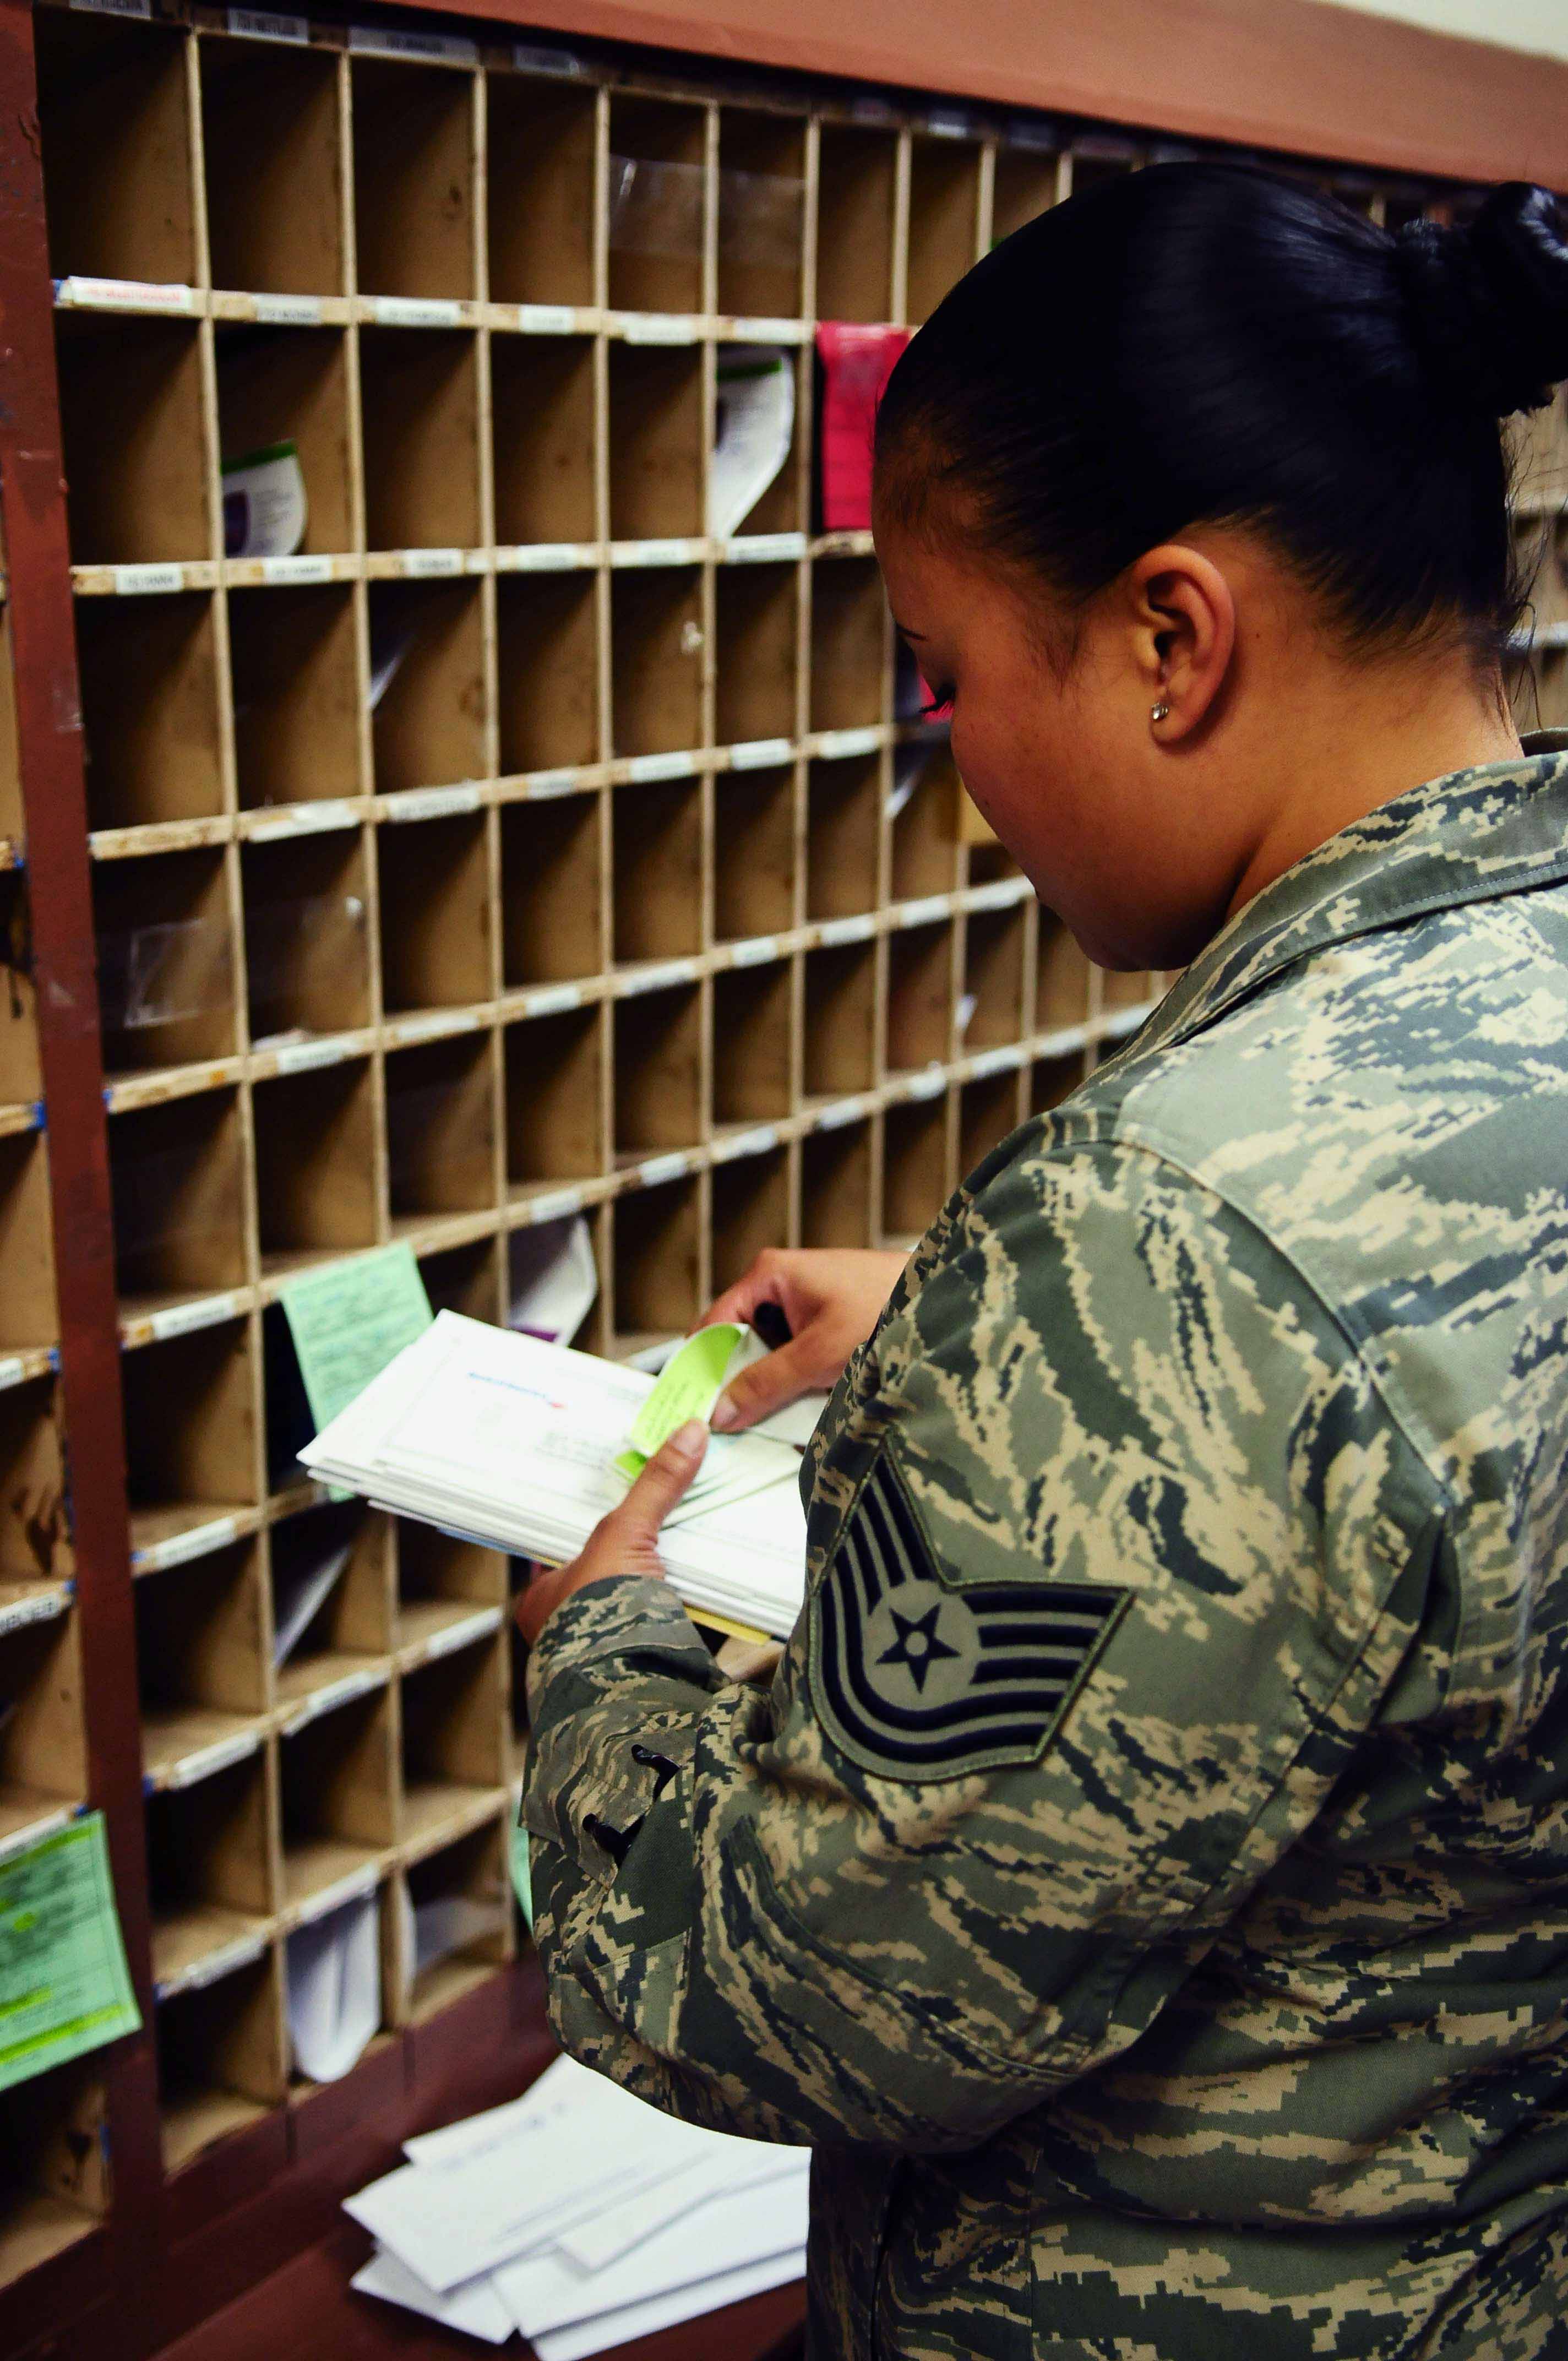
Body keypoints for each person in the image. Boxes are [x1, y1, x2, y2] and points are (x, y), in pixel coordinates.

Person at [516, 163, 1568, 2358]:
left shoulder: (1168, 1239)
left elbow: (804, 1996)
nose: (948, 746)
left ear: (1171, 638)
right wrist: (985, 1352)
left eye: (944, 664)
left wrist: (600, 1641)